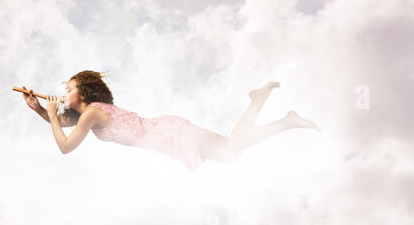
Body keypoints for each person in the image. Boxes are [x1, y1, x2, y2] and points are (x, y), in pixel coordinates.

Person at [20, 70, 319, 170]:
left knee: (230, 152)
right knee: (230, 150)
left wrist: (55, 117)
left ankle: (260, 102)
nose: (63, 93)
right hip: (167, 131)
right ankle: (284, 120)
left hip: (168, 135)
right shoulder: (92, 113)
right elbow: (61, 123)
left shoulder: (92, 114)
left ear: (82, 94)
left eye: (68, 89)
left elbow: (65, 145)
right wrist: (38, 109)